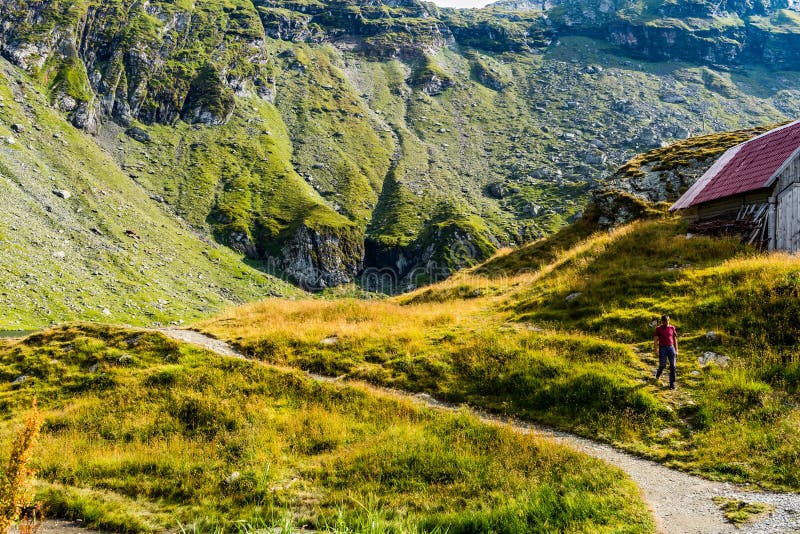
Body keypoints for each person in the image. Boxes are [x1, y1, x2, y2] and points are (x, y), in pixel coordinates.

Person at [654, 314, 678, 389]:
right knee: (662, 365)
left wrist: (676, 350)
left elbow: (675, 339)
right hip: (662, 348)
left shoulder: (672, 328)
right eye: (665, 321)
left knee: (673, 366)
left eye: (668, 321)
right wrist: (656, 350)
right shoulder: (658, 328)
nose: (667, 322)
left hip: (671, 348)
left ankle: (672, 384)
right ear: (662, 321)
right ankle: (658, 374)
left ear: (669, 320)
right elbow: (655, 340)